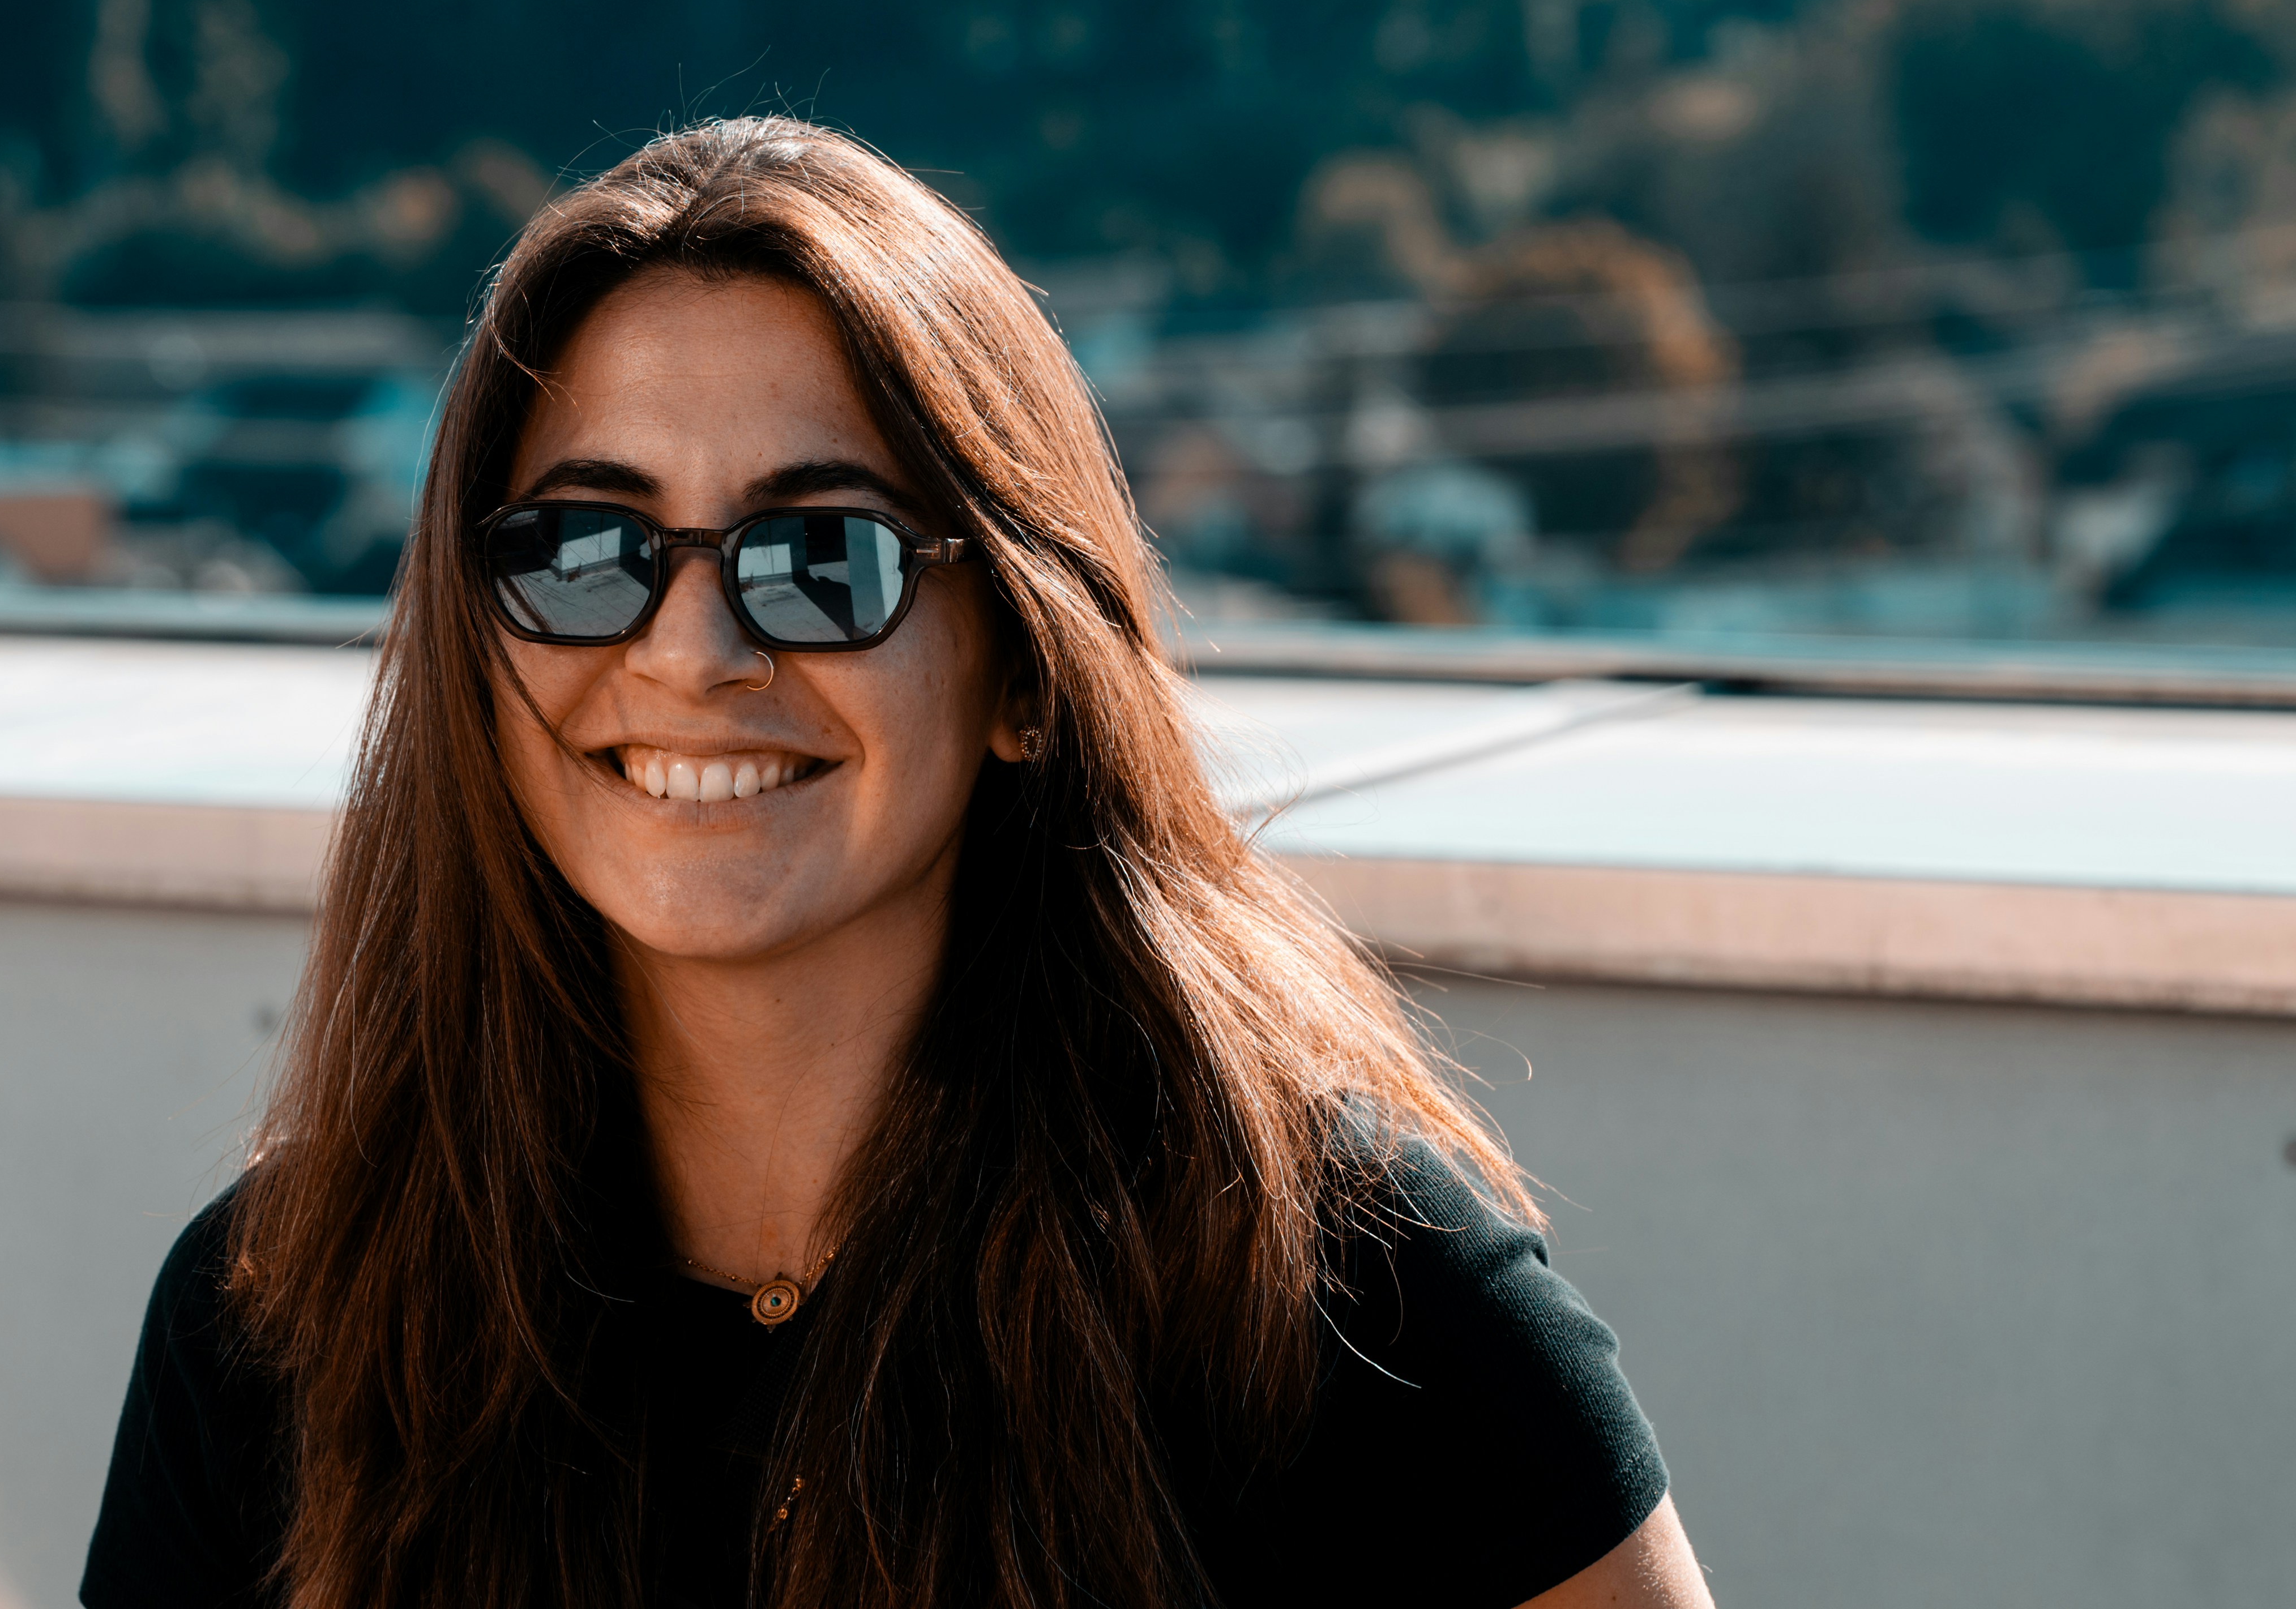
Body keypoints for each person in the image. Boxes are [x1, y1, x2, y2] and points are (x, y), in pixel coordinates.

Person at [85, 118, 1714, 1609]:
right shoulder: (278, 1323)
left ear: (1021, 665)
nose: (693, 650)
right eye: (588, 552)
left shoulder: (1356, 1303)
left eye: (823, 555)